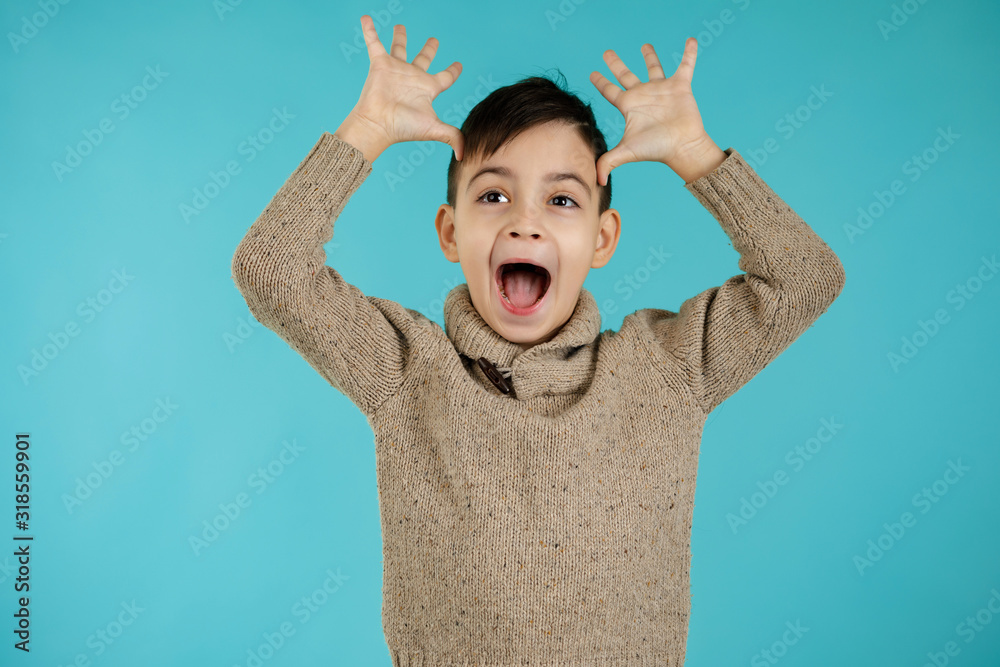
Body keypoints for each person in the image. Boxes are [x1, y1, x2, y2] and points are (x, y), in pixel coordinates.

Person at [231, 14, 846, 665]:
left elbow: (804, 277)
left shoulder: (665, 368)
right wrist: (368, 131)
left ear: (603, 238)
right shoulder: (406, 368)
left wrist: (695, 153)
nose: (525, 222)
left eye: (562, 200)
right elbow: (271, 267)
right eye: (494, 194)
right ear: (449, 231)